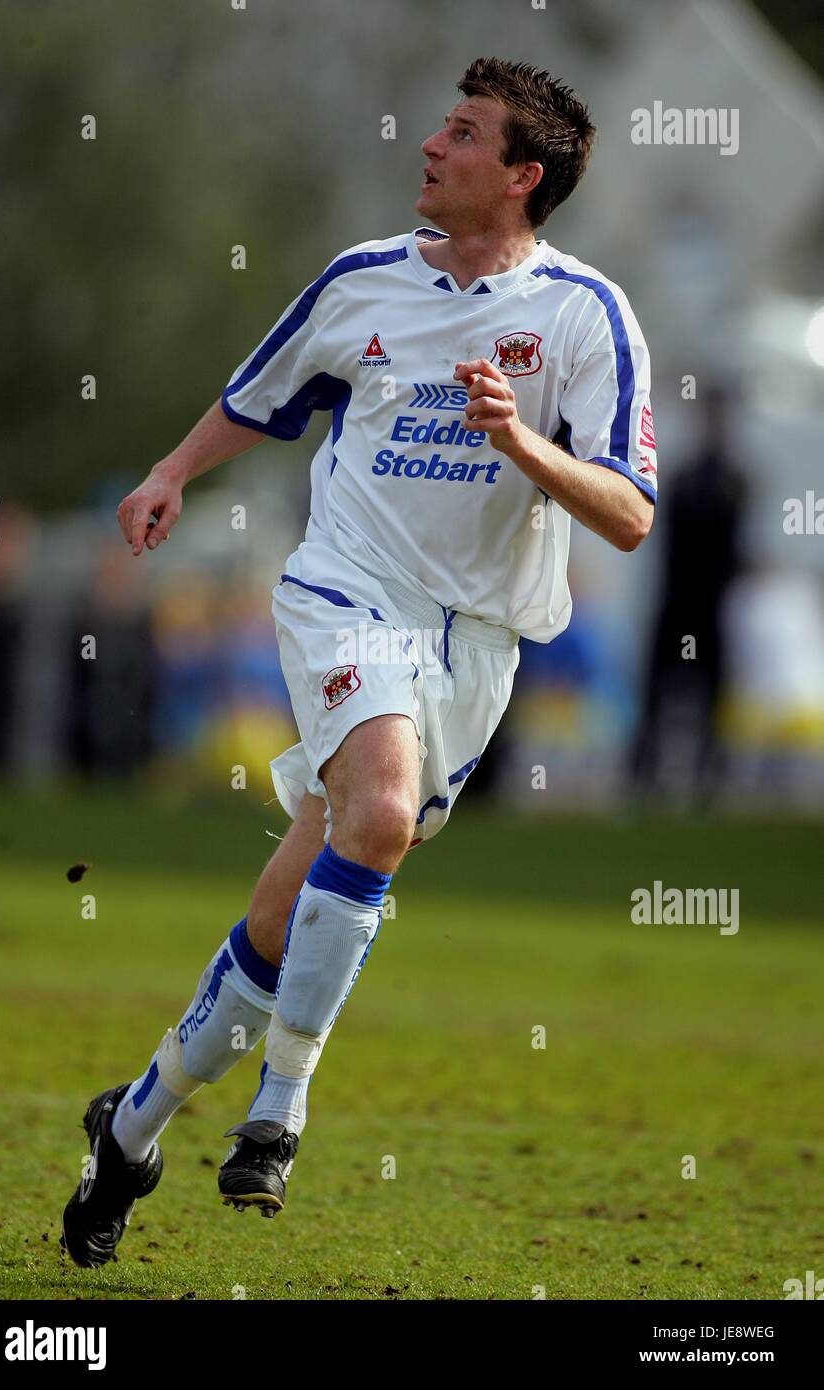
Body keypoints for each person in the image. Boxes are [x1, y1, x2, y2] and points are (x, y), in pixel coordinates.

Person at [62, 56, 657, 1267]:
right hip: (347, 589)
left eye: (462, 132)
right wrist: (173, 471)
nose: (430, 145)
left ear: (521, 176)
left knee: (289, 916)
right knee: (379, 814)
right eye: (439, 125)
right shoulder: (362, 280)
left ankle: (127, 1130)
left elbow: (630, 513)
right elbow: (261, 395)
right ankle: (279, 1111)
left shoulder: (584, 315)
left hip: (479, 643)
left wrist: (520, 445)